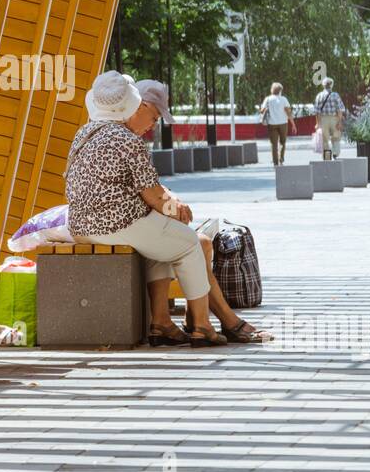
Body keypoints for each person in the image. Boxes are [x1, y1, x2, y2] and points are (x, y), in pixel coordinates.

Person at [64, 72, 271, 348]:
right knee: (188, 243)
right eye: (153, 117)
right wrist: (179, 210)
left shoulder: (84, 133)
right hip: (116, 224)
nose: (152, 125)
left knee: (161, 243)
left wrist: (167, 209)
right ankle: (202, 325)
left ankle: (161, 322)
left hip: (82, 226)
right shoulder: (126, 139)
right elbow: (154, 196)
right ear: (133, 106)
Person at [257, 82, 295, 165]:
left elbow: (262, 111)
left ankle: (275, 162)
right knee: (282, 142)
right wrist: (293, 124)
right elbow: (288, 112)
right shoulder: (284, 99)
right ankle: (281, 159)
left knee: (274, 144)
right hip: (283, 124)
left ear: (272, 90)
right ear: (280, 91)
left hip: (272, 124)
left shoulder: (268, 99)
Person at [312, 77, 346, 160]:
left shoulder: (319, 95)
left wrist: (318, 123)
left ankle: (327, 157)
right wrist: (340, 122)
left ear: (323, 86)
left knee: (325, 139)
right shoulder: (335, 95)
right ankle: (335, 154)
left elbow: (317, 111)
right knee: (336, 136)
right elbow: (340, 109)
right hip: (334, 118)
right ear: (331, 85)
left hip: (323, 119)